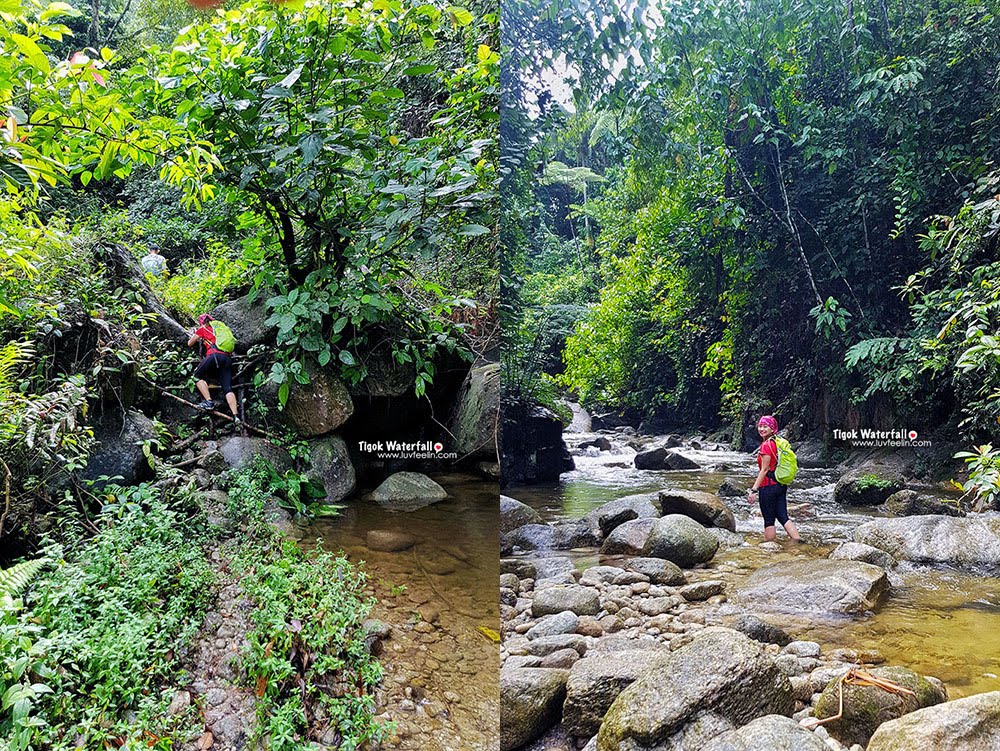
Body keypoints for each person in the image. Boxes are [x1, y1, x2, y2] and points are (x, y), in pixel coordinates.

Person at [747, 415, 800, 543]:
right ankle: (798, 541)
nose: (761, 429)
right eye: (760, 426)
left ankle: (770, 549)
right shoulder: (777, 442)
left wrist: (754, 490)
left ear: (772, 429)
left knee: (769, 520)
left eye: (765, 426)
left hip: (768, 487)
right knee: (783, 517)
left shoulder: (766, 445)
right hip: (780, 485)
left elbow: (764, 470)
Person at [188, 314, 239, 424]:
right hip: (227, 358)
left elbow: (189, 343)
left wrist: (196, 334)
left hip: (214, 356)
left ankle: (209, 402)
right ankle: (236, 416)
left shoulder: (203, 329)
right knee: (227, 388)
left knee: (196, 377)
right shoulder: (220, 329)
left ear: (201, 322)